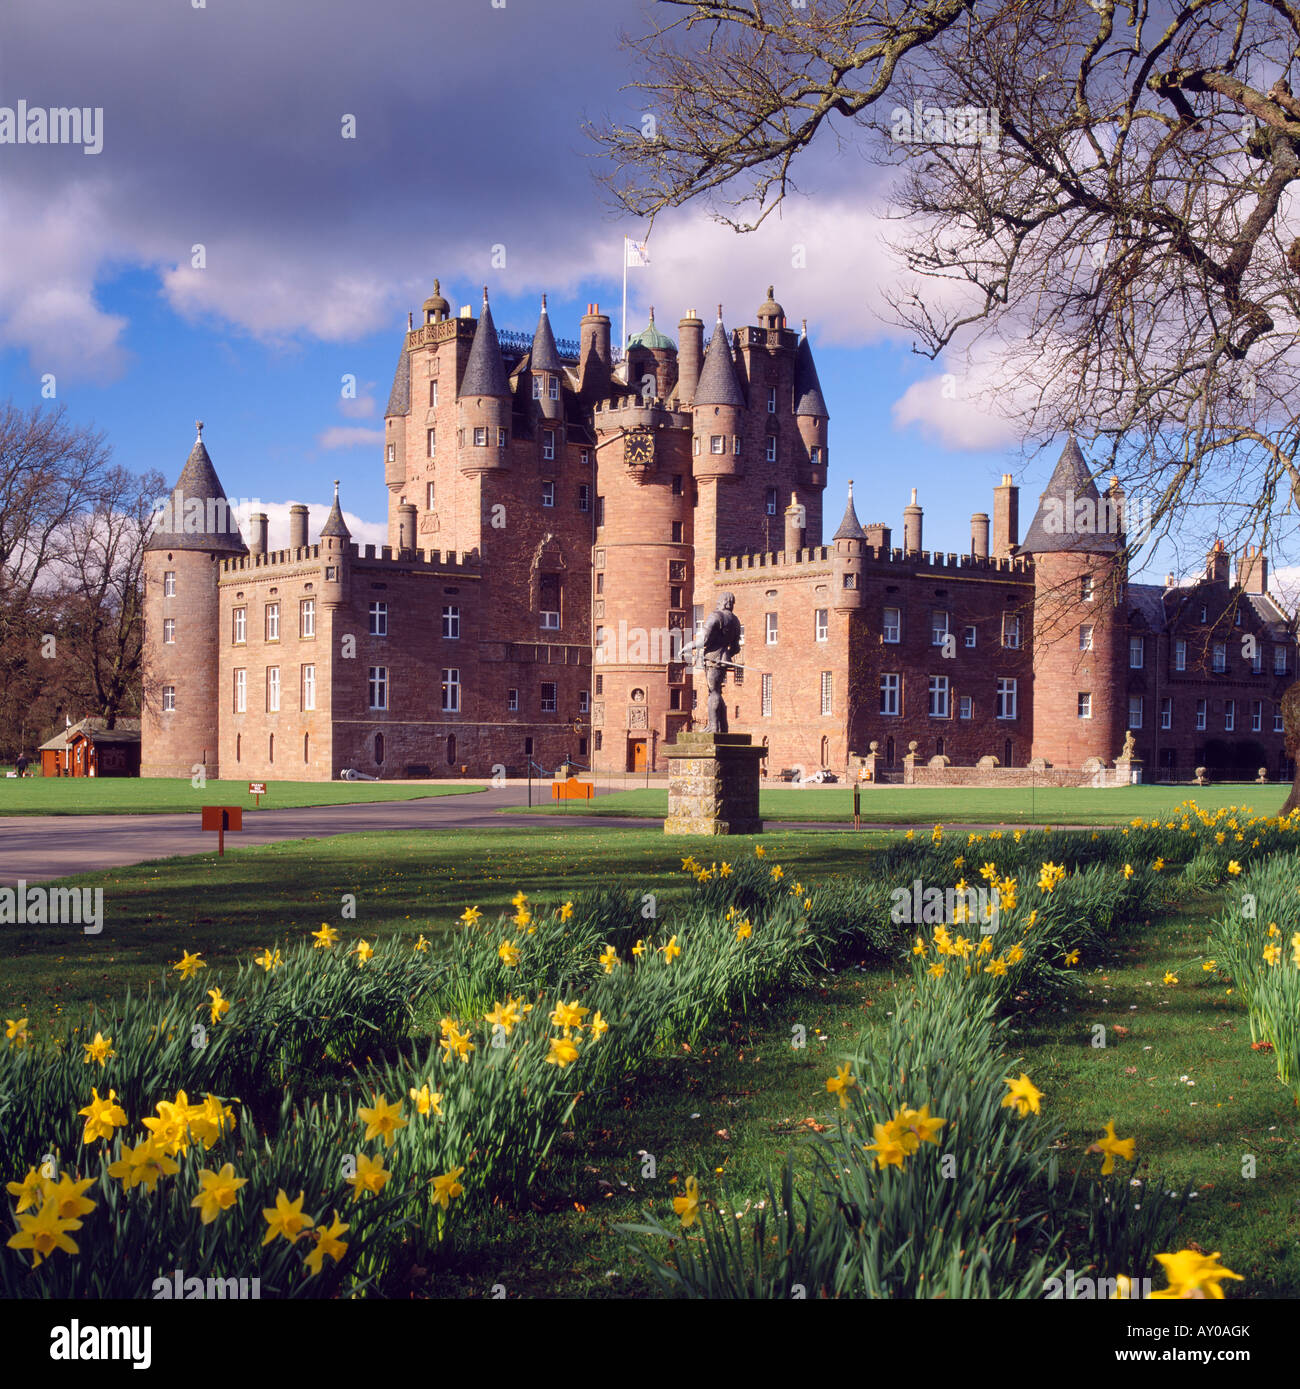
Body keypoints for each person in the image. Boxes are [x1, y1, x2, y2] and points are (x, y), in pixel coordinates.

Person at [678, 592, 742, 733]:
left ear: (722, 602)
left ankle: (713, 726)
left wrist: (688, 646)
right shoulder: (735, 621)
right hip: (722, 658)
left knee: (713, 691)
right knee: (717, 690)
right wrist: (725, 656)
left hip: (713, 658)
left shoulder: (716, 616)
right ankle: (723, 727)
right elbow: (736, 648)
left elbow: (704, 640)